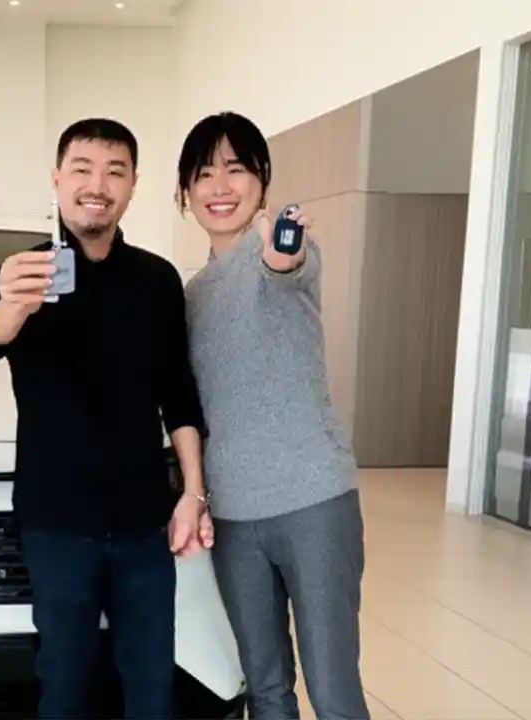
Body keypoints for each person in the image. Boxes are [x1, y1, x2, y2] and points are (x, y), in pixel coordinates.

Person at [0, 117, 212, 719]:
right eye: (83, 169)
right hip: (56, 521)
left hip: (145, 520)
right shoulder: (24, 271)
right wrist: (9, 306)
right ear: (57, 179)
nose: (98, 185)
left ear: (132, 186)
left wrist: (193, 492)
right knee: (64, 680)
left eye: (114, 172)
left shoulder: (155, 279)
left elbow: (179, 393)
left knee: (152, 682)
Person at [176, 111, 370, 720]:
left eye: (236, 169)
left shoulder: (285, 252)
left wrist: (282, 249)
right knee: (264, 688)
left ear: (263, 180)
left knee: (333, 691)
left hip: (313, 501)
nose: (220, 186)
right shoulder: (191, 293)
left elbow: (284, 267)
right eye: (204, 174)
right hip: (233, 517)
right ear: (185, 193)